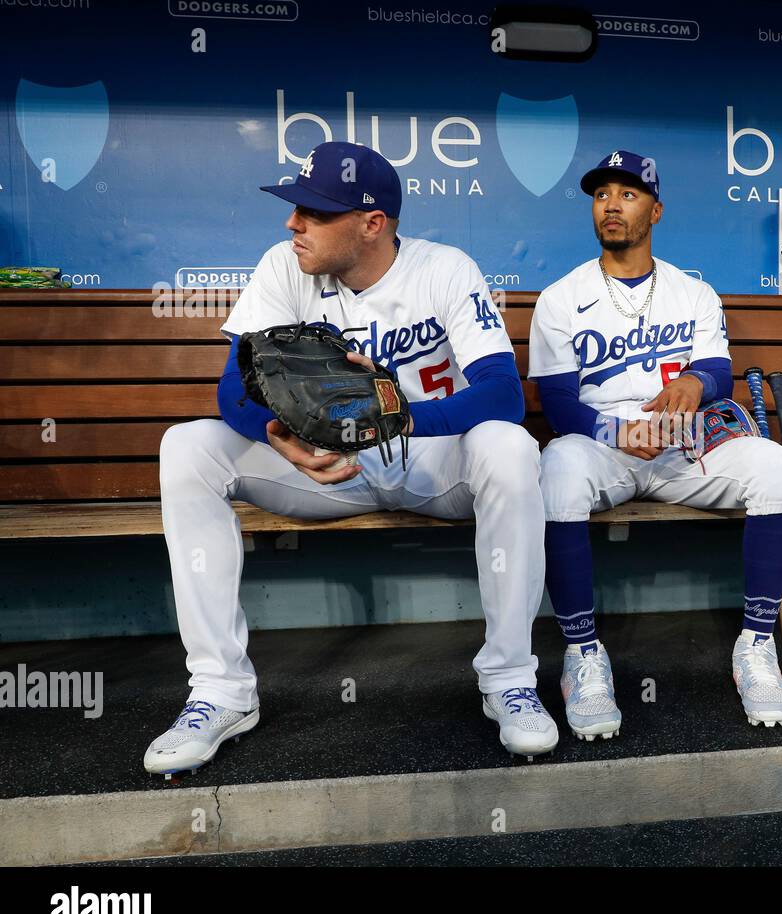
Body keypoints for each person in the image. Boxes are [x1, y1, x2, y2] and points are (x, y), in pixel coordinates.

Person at [145, 141, 558, 776]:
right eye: (295, 209)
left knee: (509, 446)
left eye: (312, 211)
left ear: (373, 224)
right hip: (330, 471)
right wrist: (279, 437)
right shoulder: (285, 268)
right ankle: (221, 692)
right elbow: (234, 388)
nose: (293, 224)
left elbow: (503, 395)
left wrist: (397, 410)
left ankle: (508, 677)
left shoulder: (444, 269)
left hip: (429, 463)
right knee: (187, 446)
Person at [527, 150, 782, 739]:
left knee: (776, 466)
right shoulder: (560, 298)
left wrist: (695, 382)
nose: (611, 205)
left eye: (627, 194)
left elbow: (718, 373)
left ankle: (755, 646)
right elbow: (557, 406)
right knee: (556, 468)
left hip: (684, 446)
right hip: (605, 447)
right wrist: (615, 431)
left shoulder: (691, 292)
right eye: (601, 195)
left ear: (656, 209)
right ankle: (582, 655)